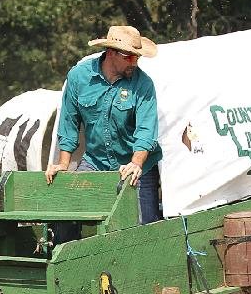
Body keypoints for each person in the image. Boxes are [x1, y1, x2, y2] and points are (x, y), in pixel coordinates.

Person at [46, 25, 163, 226]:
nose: (134, 62)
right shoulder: (78, 77)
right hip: (95, 162)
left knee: (144, 229)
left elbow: (146, 131)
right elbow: (69, 123)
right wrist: (64, 164)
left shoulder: (144, 85)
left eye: (137, 57)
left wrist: (136, 163)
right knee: (66, 215)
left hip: (137, 166)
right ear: (110, 53)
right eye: (128, 57)